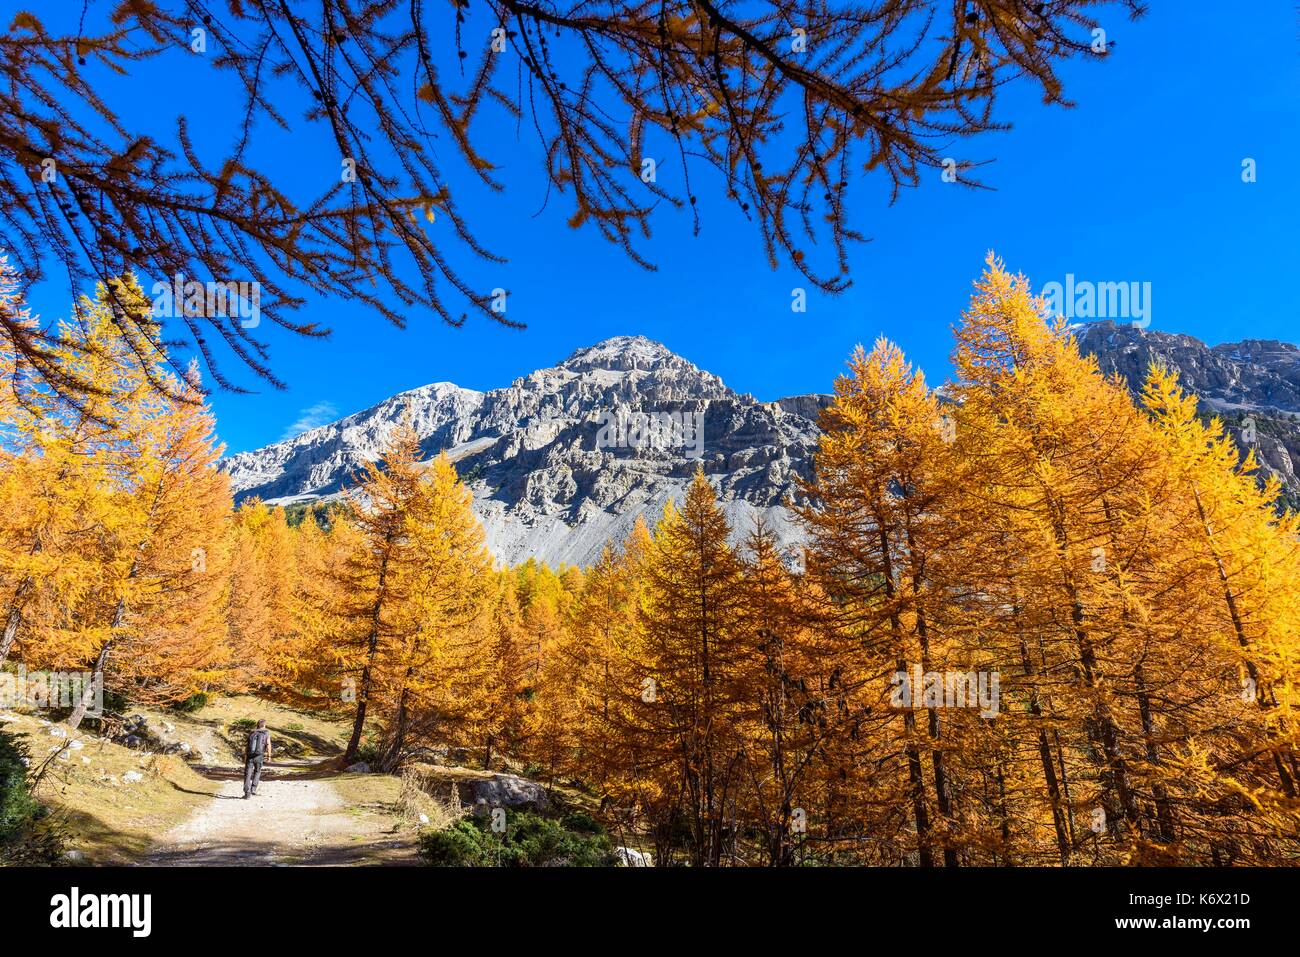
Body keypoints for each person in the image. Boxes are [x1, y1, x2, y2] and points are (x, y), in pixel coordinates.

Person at [243, 719, 272, 799]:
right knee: (257, 771)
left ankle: (247, 793)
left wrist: (245, 755)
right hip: (259, 756)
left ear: (258, 725)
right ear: (264, 725)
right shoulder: (266, 733)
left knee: (247, 773)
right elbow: (268, 744)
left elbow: (247, 745)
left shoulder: (252, 732)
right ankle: (253, 789)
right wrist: (269, 756)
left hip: (250, 755)